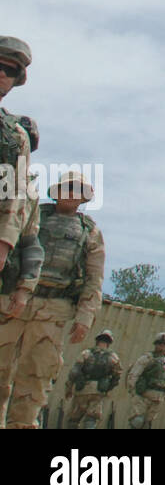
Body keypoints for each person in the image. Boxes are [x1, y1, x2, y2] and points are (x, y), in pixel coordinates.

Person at [0, 170, 106, 427]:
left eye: (78, 190)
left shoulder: (90, 231)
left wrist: (85, 317)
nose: (72, 193)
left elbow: (94, 277)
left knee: (36, 377)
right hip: (13, 300)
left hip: (54, 310)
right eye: (67, 187)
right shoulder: (33, 214)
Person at [0, 35, 44, 404]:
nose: (1, 74)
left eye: (9, 71)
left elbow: (29, 239)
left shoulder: (14, 137)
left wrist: (24, 285)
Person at [64, 329, 121, 428]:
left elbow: (74, 372)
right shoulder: (113, 357)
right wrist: (108, 388)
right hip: (98, 392)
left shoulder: (86, 353)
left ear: (97, 340)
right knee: (91, 419)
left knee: (74, 419)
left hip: (82, 390)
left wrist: (69, 388)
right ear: (109, 343)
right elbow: (117, 376)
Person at [126, 332, 165, 428]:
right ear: (156, 344)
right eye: (160, 343)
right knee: (137, 422)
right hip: (143, 396)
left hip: (157, 397)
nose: (162, 346)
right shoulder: (147, 358)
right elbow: (133, 375)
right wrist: (134, 393)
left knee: (147, 424)